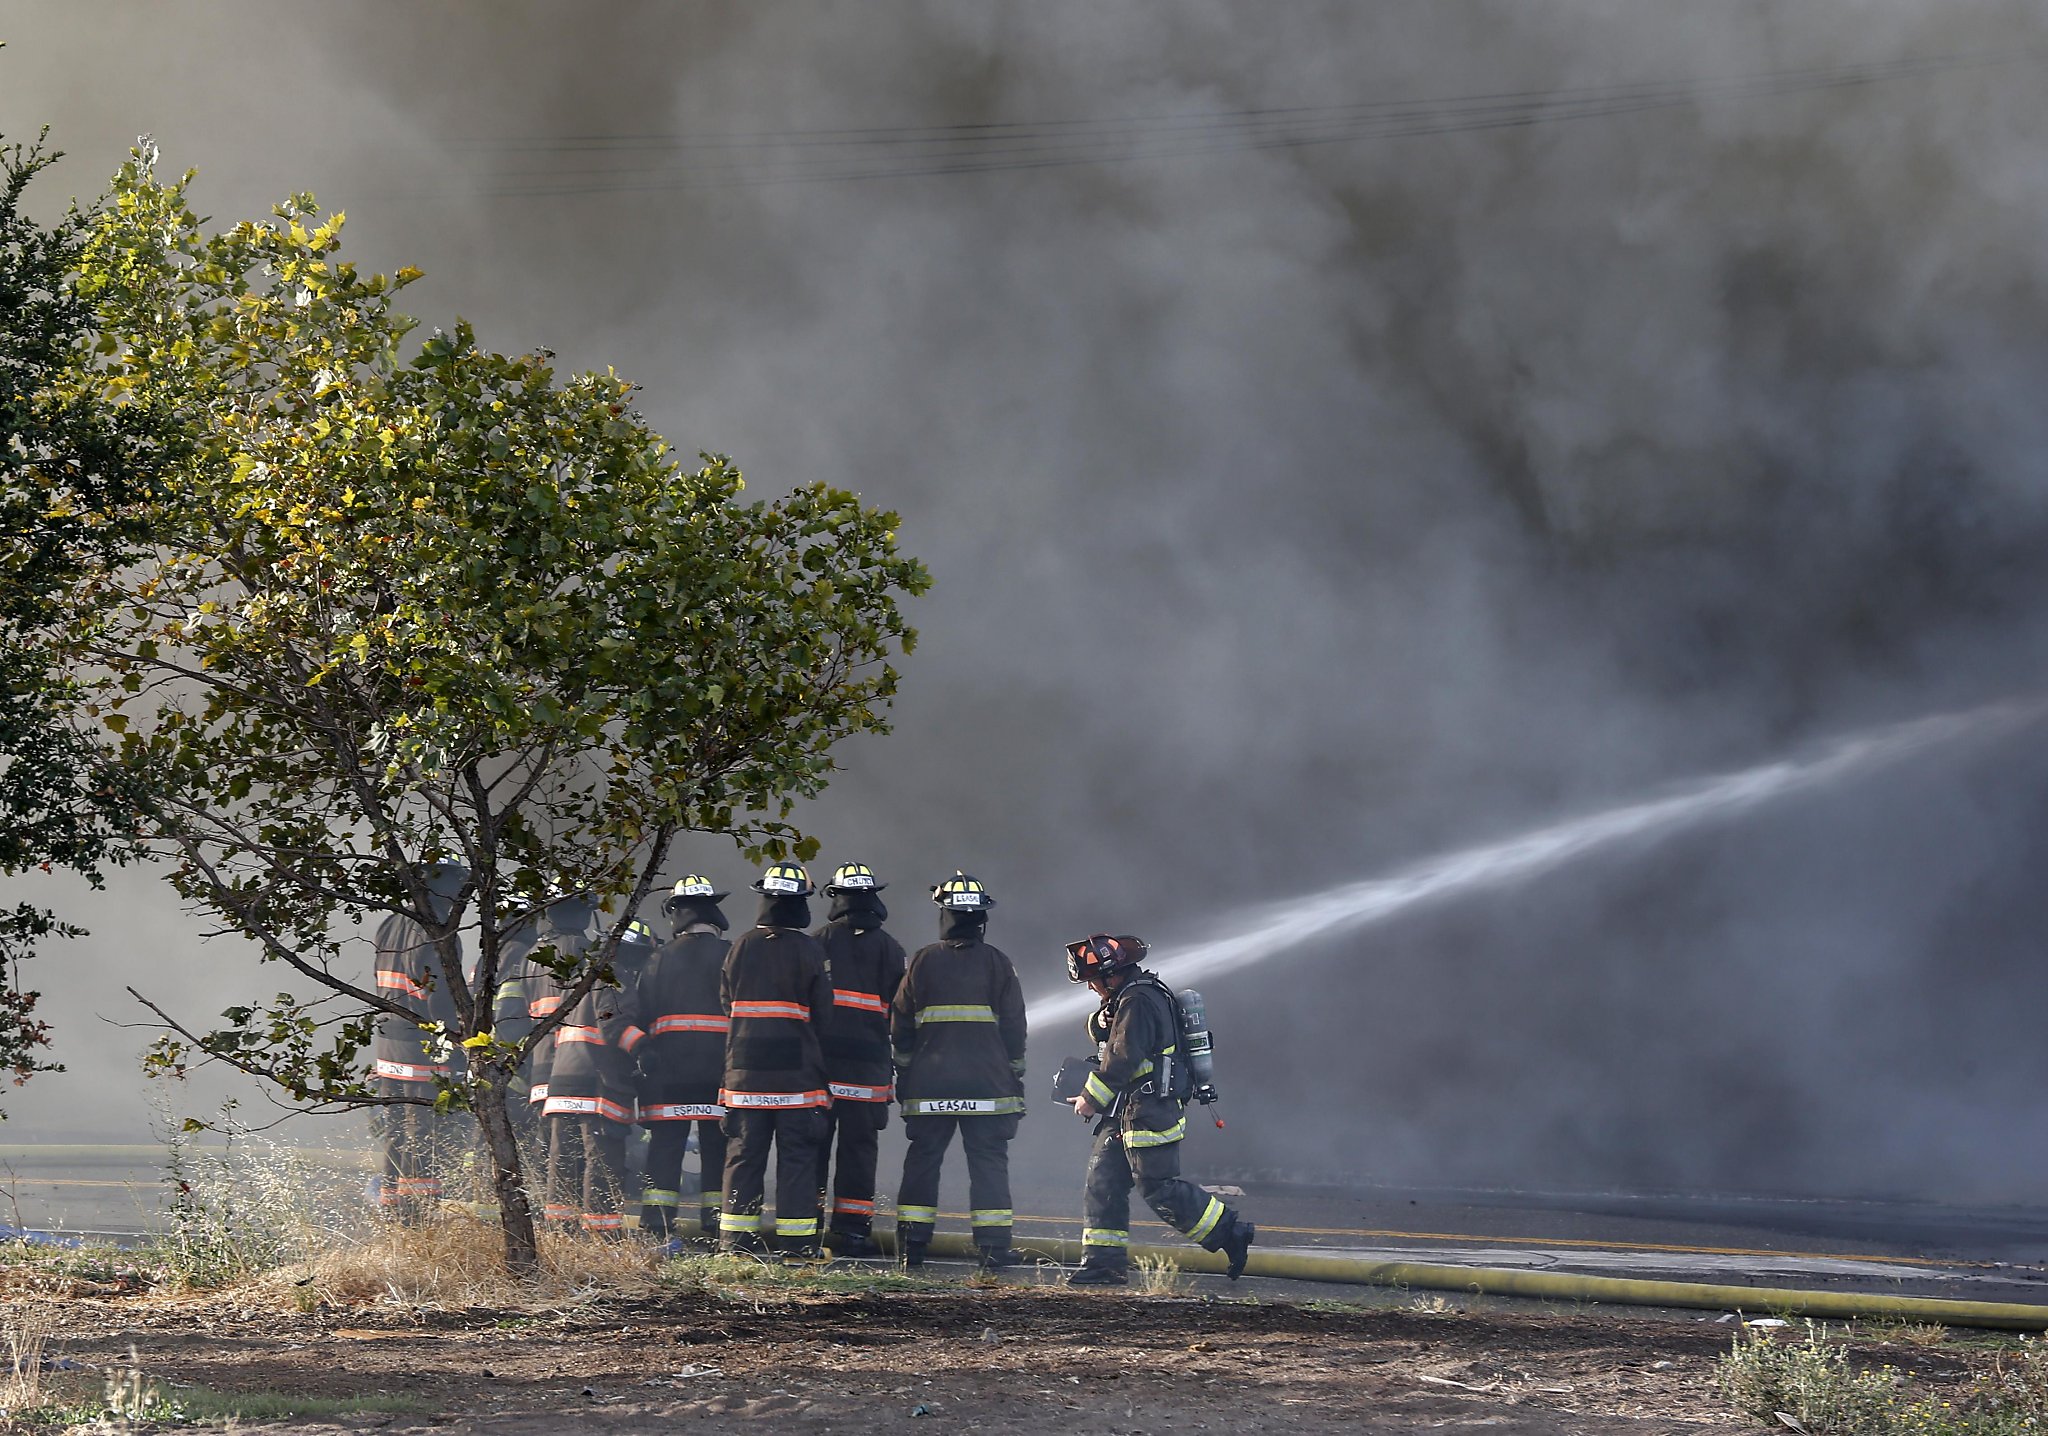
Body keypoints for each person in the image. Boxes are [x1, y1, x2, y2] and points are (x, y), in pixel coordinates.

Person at [1062, 933, 1255, 1285]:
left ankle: (1232, 1232)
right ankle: (1103, 1265)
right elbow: (1109, 1037)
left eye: (1093, 980)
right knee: (1102, 1180)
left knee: (1158, 1187)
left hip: (1150, 1110)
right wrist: (1101, 1020)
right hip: (1127, 1110)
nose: (1090, 987)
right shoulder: (1129, 997)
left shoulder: (1138, 1000)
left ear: (1111, 974)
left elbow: (1122, 1058)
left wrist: (1091, 1097)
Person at [891, 871, 1025, 1270]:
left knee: (923, 1160)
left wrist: (905, 1073)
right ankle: (993, 1249)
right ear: (981, 917)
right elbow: (1014, 1027)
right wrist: (1014, 1074)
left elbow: (900, 1025)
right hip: (987, 1088)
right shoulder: (998, 963)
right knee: (988, 1164)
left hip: (930, 1086)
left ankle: (911, 1248)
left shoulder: (922, 961)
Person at [718, 861, 834, 1257]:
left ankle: (735, 1243)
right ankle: (797, 1245)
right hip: (796, 1079)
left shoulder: (740, 946)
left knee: (743, 1157)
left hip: (744, 1076)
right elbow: (824, 1014)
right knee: (797, 1159)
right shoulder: (811, 951)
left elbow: (726, 1003)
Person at [812, 863, 907, 1257]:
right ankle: (852, 1232)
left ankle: (806, 1226)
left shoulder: (817, 943)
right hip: (868, 1072)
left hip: (820, 1071)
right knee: (859, 1151)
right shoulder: (891, 949)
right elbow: (900, 1015)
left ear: (837, 898)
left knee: (812, 1148)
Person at [634, 875, 734, 1248]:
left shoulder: (657, 958)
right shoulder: (732, 955)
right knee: (717, 1147)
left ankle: (657, 1223)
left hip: (667, 1072)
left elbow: (641, 1013)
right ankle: (716, 1221)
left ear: (677, 913)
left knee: (665, 1146)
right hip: (719, 1071)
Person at [543, 918, 654, 1238]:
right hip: (597, 1082)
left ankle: (560, 1233)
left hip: (563, 1079)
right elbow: (613, 1024)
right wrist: (644, 1048)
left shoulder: (581, 972)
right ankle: (601, 1236)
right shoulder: (614, 975)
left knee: (564, 1160)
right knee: (603, 1160)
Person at [371, 863, 469, 1222]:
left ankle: (393, 1213)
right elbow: (439, 996)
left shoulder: (391, 922)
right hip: (422, 1044)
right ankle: (417, 1215)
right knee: (423, 1131)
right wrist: (454, 1042)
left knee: (396, 1130)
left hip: (388, 1043)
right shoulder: (437, 928)